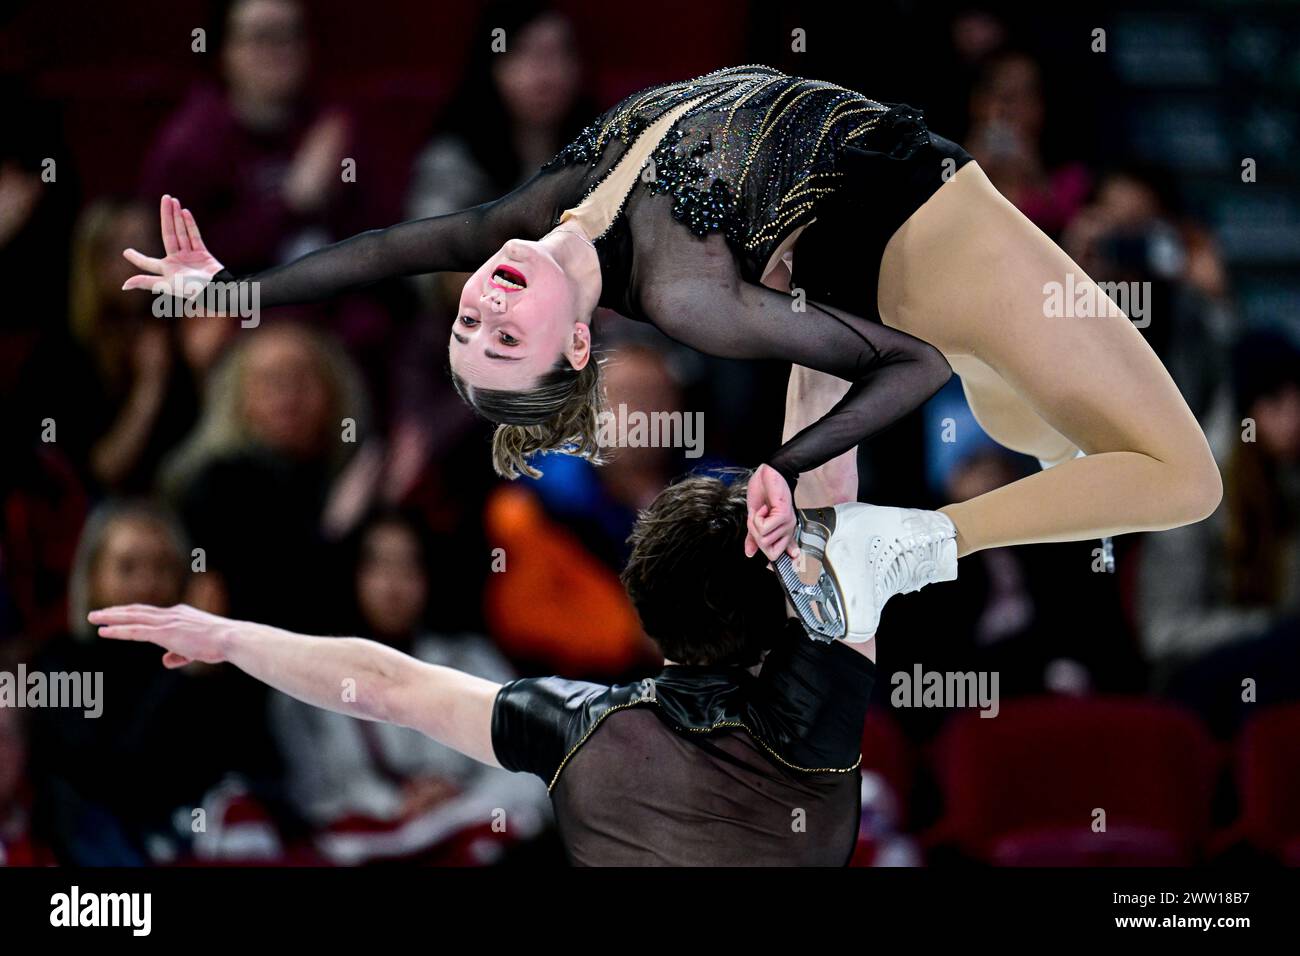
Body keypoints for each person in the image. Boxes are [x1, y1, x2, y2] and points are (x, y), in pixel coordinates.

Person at [122, 64, 1221, 642]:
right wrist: (788, 471)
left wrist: (229, 285)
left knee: (1036, 428)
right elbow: (911, 364)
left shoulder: (539, 210)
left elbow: (380, 251)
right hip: (936, 241)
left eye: (469, 325)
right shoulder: (687, 295)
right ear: (574, 338)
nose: (482, 309)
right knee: (1179, 477)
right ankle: (918, 545)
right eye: (506, 340)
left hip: (860, 250)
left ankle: (875, 556)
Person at [90, 421, 926, 865]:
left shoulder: (581, 726)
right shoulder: (820, 702)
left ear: (638, 603)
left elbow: (382, 684)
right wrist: (811, 296)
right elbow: (827, 498)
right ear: (784, 601)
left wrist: (230, 636)